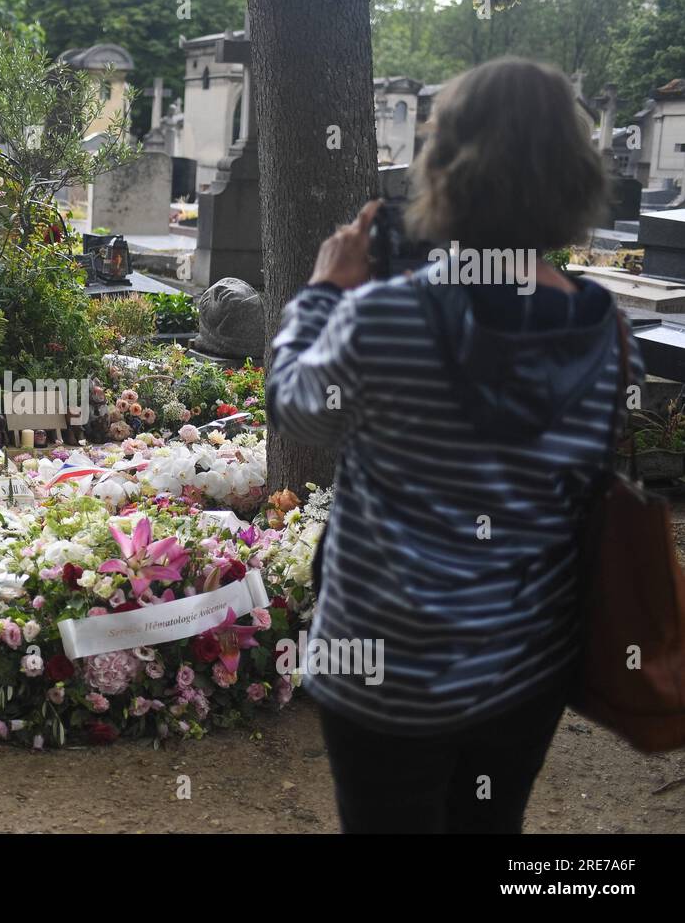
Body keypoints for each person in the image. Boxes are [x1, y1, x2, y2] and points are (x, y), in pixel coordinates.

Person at [266, 57, 644, 833]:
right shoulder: (607, 331)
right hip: (527, 664)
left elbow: (296, 410)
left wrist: (323, 291)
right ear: (576, 175)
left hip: (382, 667)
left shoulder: (384, 314)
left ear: (445, 166)